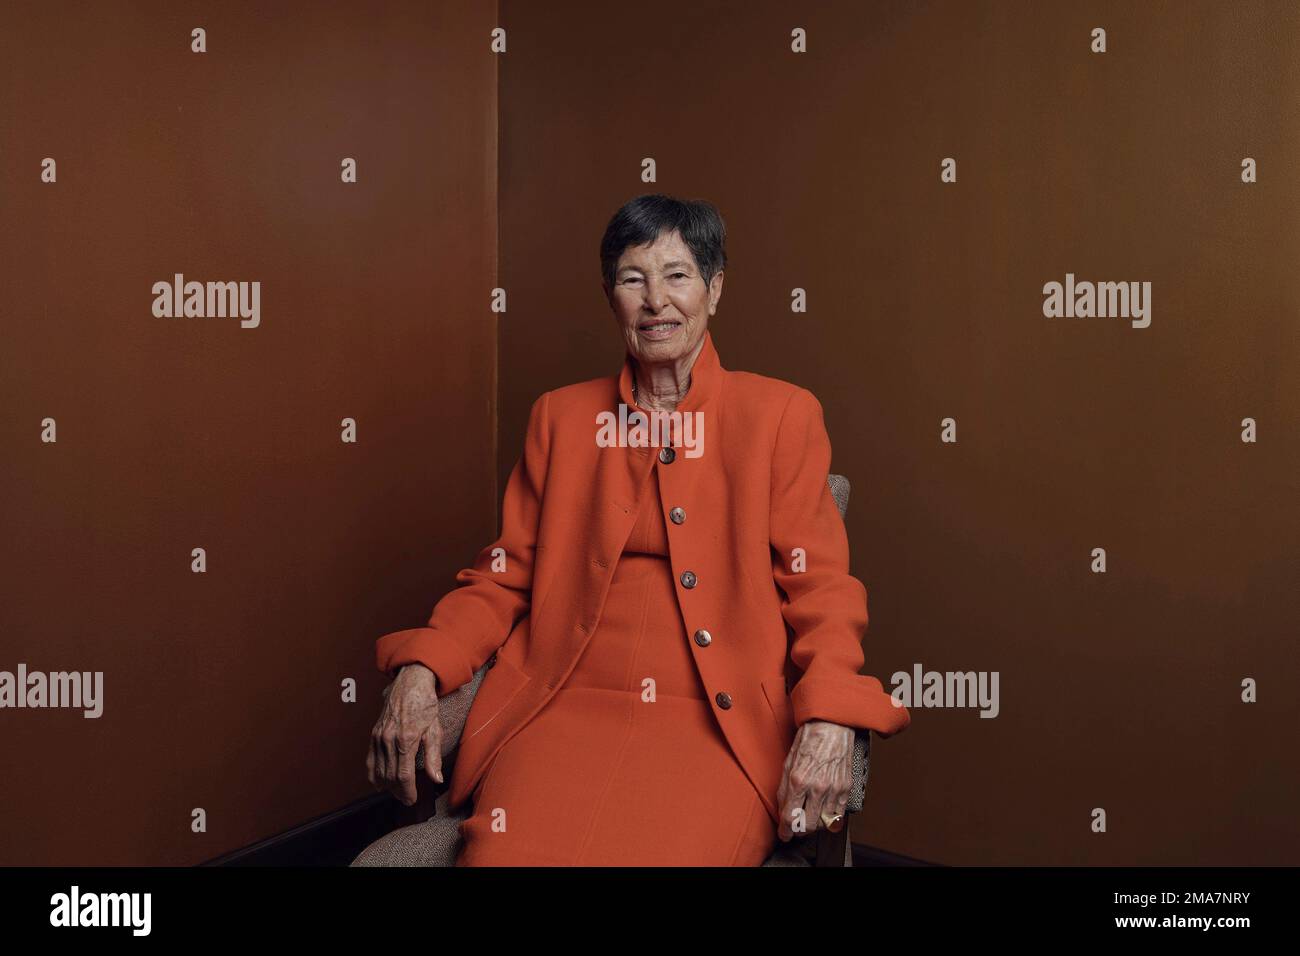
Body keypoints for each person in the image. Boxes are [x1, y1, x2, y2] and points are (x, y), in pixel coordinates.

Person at [366, 194, 910, 865]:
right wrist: (422, 668)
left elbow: (822, 591)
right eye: (633, 278)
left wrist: (829, 713)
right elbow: (502, 576)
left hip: (717, 723)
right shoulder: (559, 419)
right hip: (562, 708)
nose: (656, 300)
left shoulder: (780, 416)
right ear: (611, 297)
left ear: (713, 289)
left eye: (677, 275)